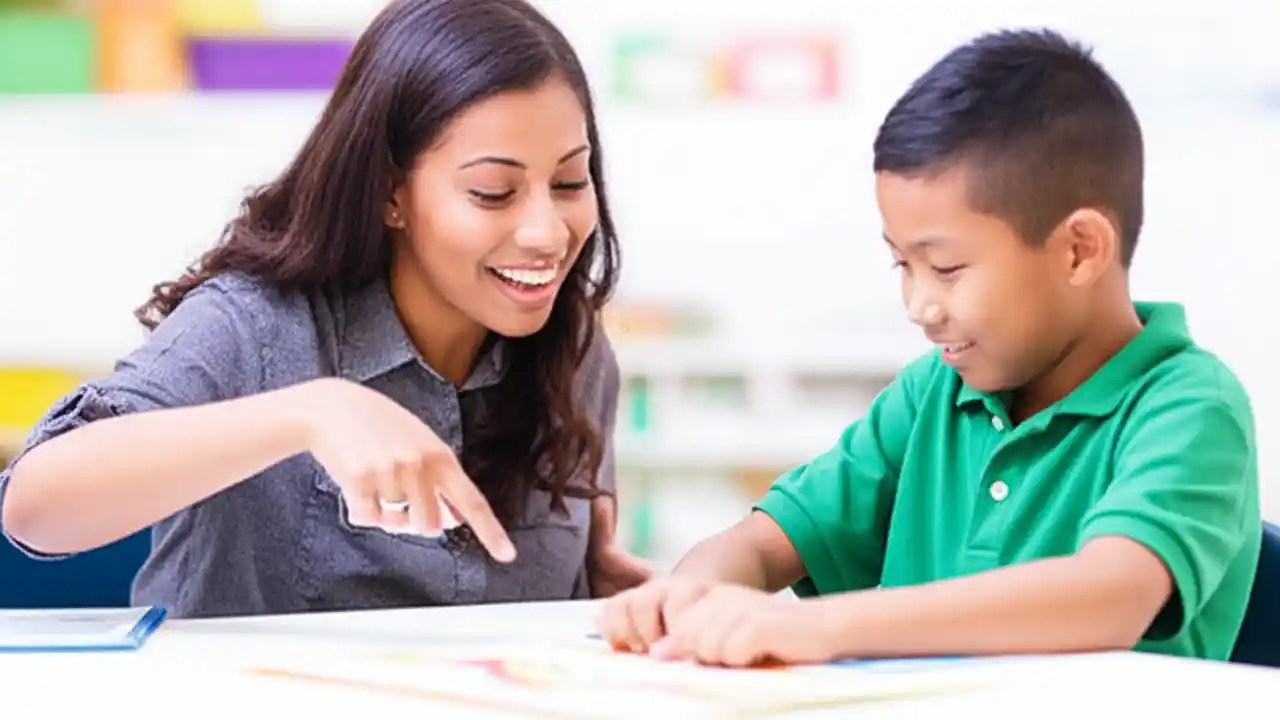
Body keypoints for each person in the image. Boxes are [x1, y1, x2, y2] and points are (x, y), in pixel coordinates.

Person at [597, 28, 1261, 666]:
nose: (919, 306)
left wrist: (822, 627)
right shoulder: (934, 393)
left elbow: (1110, 597)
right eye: (902, 266)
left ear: (1080, 249)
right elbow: (762, 547)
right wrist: (693, 598)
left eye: (945, 269)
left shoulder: (1191, 408)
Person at [0, 0, 650, 618]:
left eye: (570, 182)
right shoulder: (255, 325)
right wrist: (307, 412)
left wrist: (602, 597)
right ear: (390, 192)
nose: (548, 232)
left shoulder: (577, 351)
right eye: (492, 192)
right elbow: (34, 506)